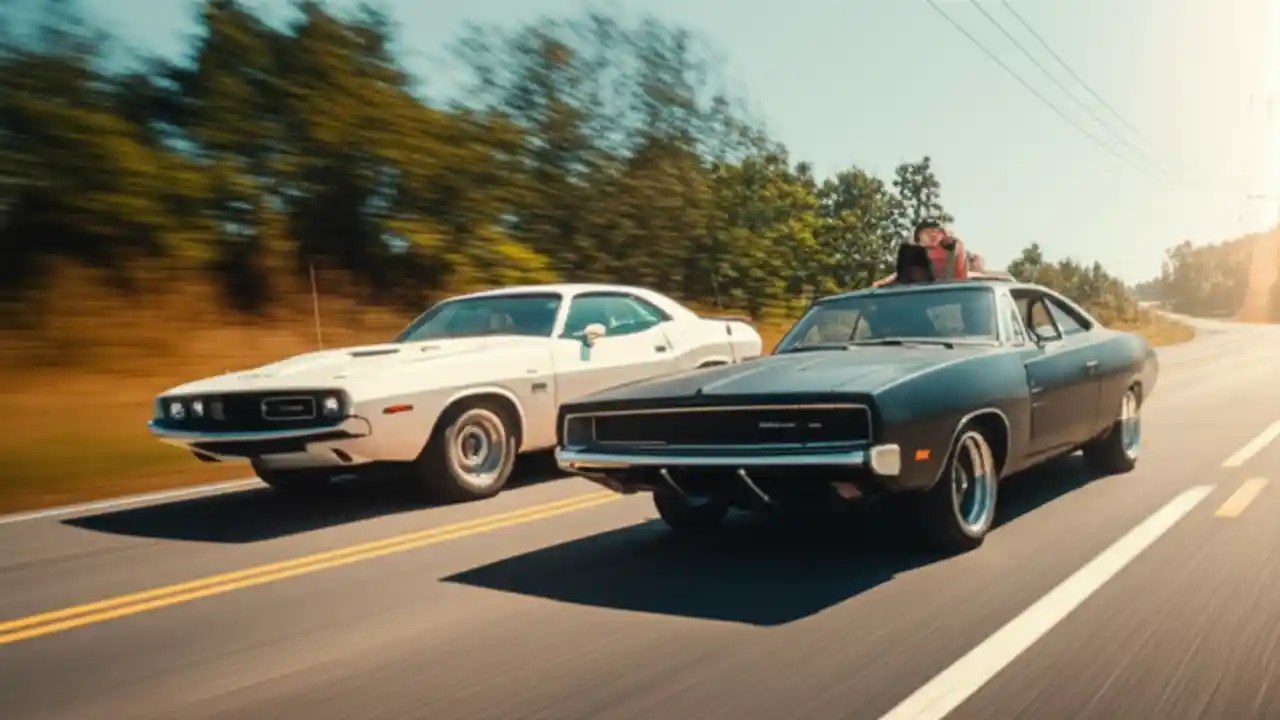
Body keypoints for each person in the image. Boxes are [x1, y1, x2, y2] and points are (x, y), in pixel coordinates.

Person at [873, 219, 970, 287]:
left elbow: (962, 274)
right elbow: (903, 274)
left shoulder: (953, 249)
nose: (933, 235)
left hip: (953, 292)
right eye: (928, 232)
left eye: (936, 232)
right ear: (919, 237)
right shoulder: (916, 253)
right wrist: (883, 283)